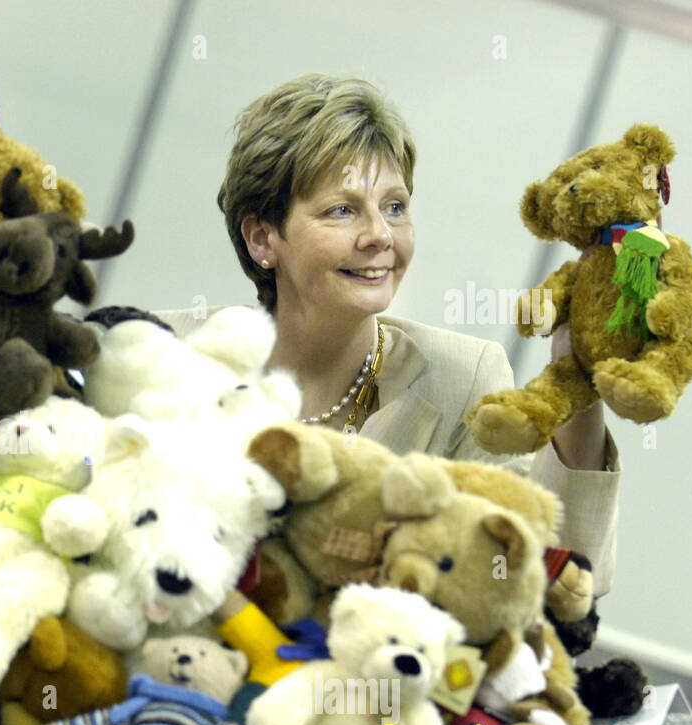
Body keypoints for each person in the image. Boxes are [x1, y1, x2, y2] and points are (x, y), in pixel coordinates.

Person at [210, 74, 619, 593]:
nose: (380, 235)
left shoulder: (462, 380)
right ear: (263, 238)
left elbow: (541, 578)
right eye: (343, 209)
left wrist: (575, 380)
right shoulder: (169, 356)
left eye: (395, 207)